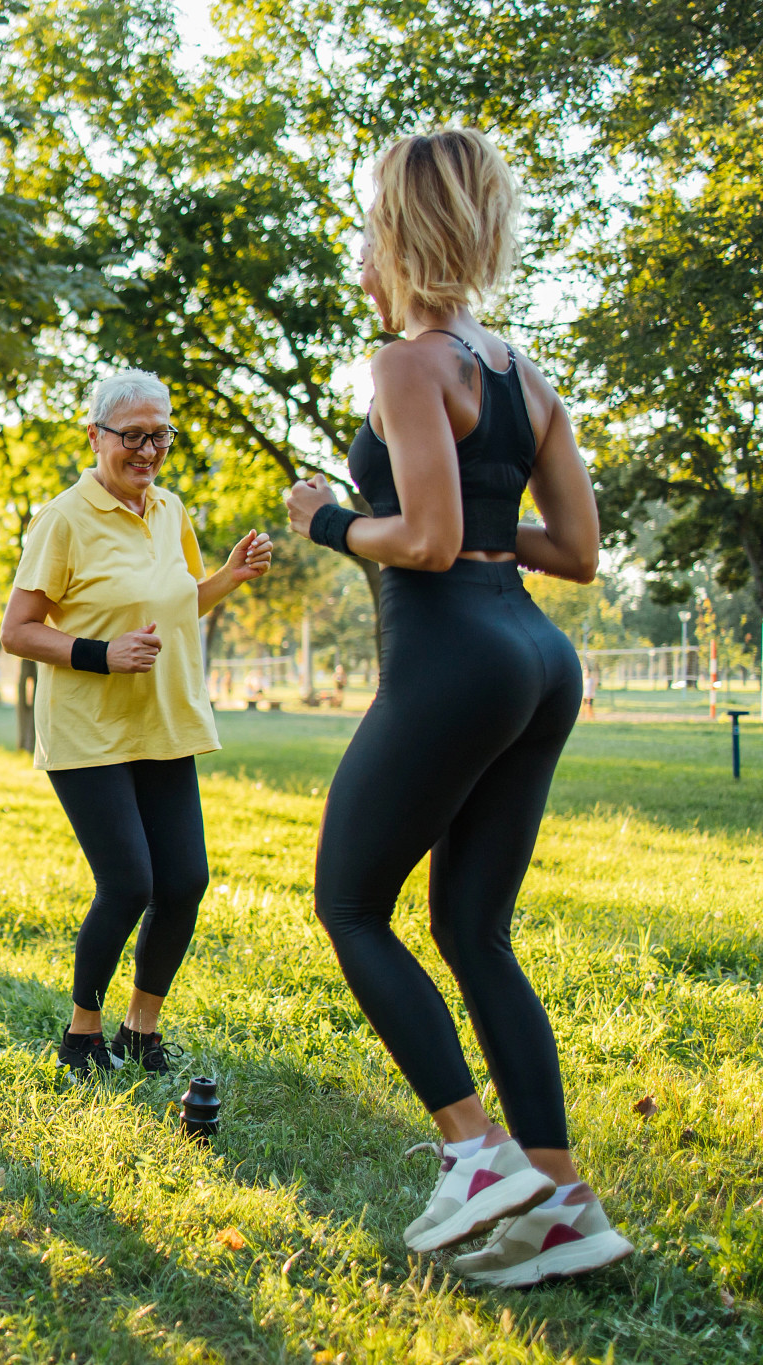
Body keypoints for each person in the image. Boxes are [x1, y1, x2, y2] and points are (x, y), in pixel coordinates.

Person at [284, 129, 626, 1287]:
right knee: (472, 929)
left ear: (396, 233)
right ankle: (561, 1195)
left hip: (450, 657)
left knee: (349, 905)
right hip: (534, 655)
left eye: (364, 231)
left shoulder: (405, 363)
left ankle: (473, 1155)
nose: (357, 258)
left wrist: (324, 520)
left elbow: (419, 543)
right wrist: (478, 530)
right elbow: (574, 553)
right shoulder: (524, 376)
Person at [0, 369, 272, 1082]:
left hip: (165, 721)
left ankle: (140, 1030)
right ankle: (81, 1031)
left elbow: (178, 601)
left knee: (184, 880)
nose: (148, 450)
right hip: (89, 730)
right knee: (128, 882)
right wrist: (102, 654)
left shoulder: (170, 509)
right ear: (95, 436)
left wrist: (228, 578)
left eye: (161, 436)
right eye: (134, 436)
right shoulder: (62, 518)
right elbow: (18, 632)